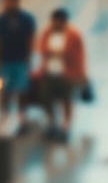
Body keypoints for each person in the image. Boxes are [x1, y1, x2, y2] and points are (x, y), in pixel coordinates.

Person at [37, 8, 86, 142]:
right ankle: (53, 122)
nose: (55, 24)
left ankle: (66, 127)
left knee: (67, 101)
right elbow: (41, 48)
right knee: (46, 98)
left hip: (68, 75)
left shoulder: (74, 35)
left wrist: (82, 75)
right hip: (49, 74)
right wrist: (54, 53)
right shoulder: (47, 33)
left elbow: (80, 56)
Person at [0, 0, 36, 134]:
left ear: (17, 2)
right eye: (7, 1)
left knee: (22, 88)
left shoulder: (27, 19)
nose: (9, 4)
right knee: (2, 89)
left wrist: (29, 57)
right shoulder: (0, 20)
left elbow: (31, 39)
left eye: (12, 1)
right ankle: (5, 114)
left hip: (21, 60)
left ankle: (22, 115)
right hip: (4, 61)